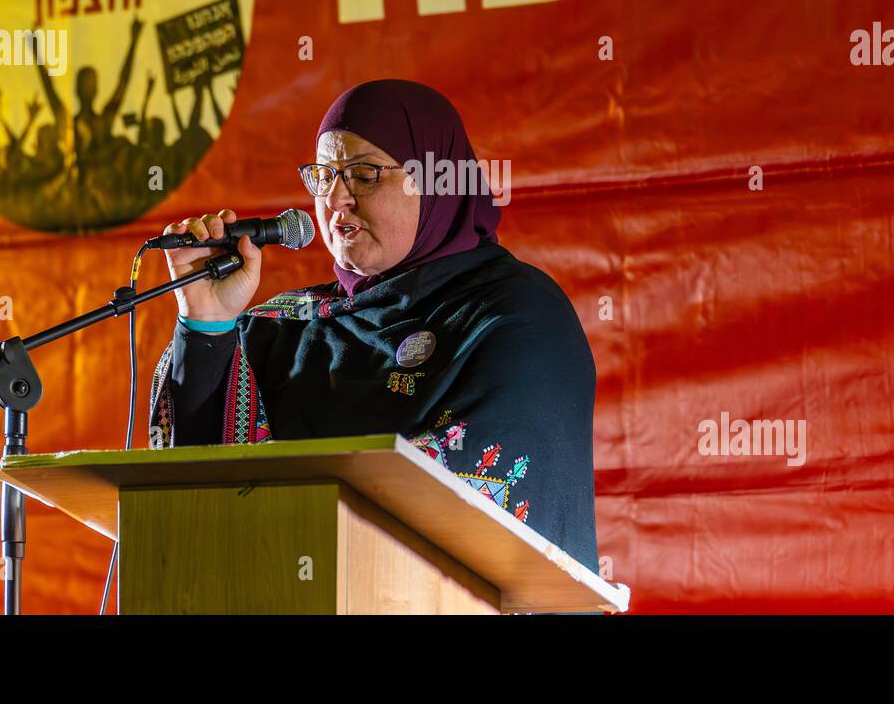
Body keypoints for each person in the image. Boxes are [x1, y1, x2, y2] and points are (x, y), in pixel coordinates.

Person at [148, 79, 599, 572]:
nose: (336, 198)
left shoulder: (516, 316)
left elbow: (459, 499)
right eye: (324, 176)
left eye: (364, 174)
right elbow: (188, 489)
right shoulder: (280, 327)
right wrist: (207, 326)